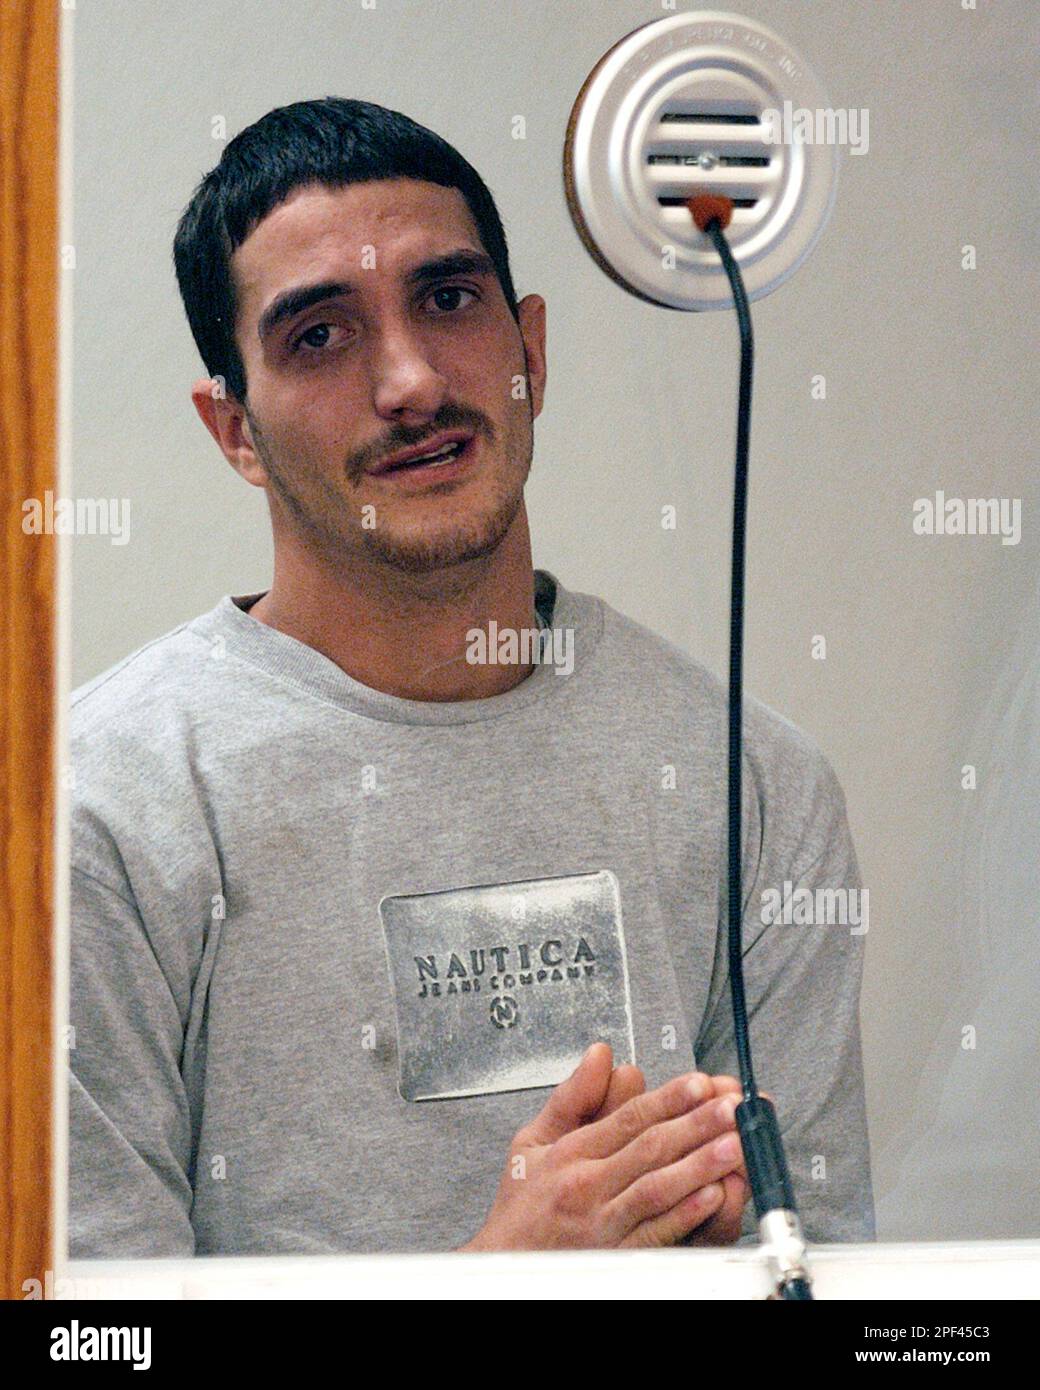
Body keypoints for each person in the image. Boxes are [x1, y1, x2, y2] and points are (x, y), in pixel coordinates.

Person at [68, 97, 874, 1257]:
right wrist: (492, 1285)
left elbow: (829, 1271)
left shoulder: (751, 782)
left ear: (528, 352)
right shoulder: (96, 814)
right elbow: (89, 1332)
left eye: (446, 300)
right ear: (234, 431)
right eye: (319, 336)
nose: (408, 381)